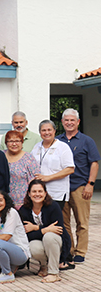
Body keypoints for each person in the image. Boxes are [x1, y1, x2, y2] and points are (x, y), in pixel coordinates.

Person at [57, 108, 100, 266]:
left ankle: (80, 252)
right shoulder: (57, 140)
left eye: (72, 120)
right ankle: (69, 250)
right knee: (64, 222)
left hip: (80, 186)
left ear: (78, 122)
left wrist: (90, 184)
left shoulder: (86, 140)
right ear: (62, 122)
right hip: (61, 187)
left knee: (82, 221)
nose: (69, 123)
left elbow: (94, 163)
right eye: (66, 120)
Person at [19, 179, 67, 283]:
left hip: (56, 242)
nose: (37, 194)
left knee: (49, 236)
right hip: (39, 241)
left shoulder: (53, 207)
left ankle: (54, 273)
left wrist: (36, 228)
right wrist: (45, 229)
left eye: (40, 191)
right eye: (34, 191)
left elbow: (58, 230)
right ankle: (44, 266)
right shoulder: (24, 210)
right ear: (29, 193)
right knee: (32, 246)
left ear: (45, 193)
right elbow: (26, 236)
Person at [31, 120, 74, 208]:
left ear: (54, 131)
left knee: (54, 219)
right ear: (39, 132)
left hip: (56, 192)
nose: (47, 133)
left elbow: (70, 169)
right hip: (39, 193)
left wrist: (48, 177)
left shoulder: (63, 147)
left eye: (49, 130)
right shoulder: (36, 147)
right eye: (43, 130)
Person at [4, 130, 39, 209]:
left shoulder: (29, 158)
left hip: (24, 203)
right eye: (11, 141)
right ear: (6, 143)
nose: (14, 144)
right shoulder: (0, 156)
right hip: (3, 202)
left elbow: (36, 180)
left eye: (17, 141)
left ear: (22, 143)